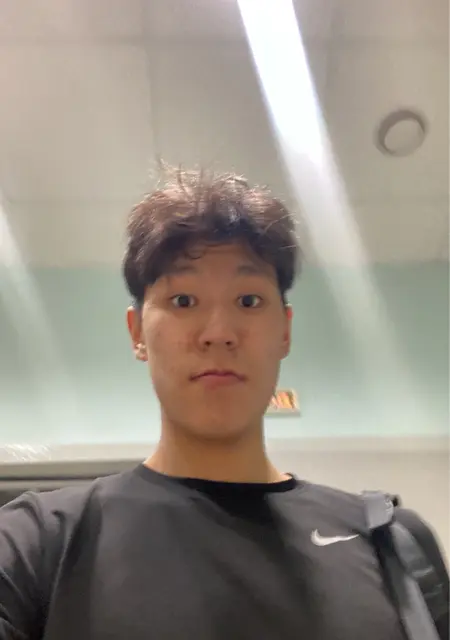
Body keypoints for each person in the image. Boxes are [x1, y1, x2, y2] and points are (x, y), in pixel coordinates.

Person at [0, 168, 447, 640]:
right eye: (183, 300)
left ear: (285, 331)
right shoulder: (34, 543)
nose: (218, 333)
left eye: (249, 301)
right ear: (137, 333)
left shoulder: (391, 543)